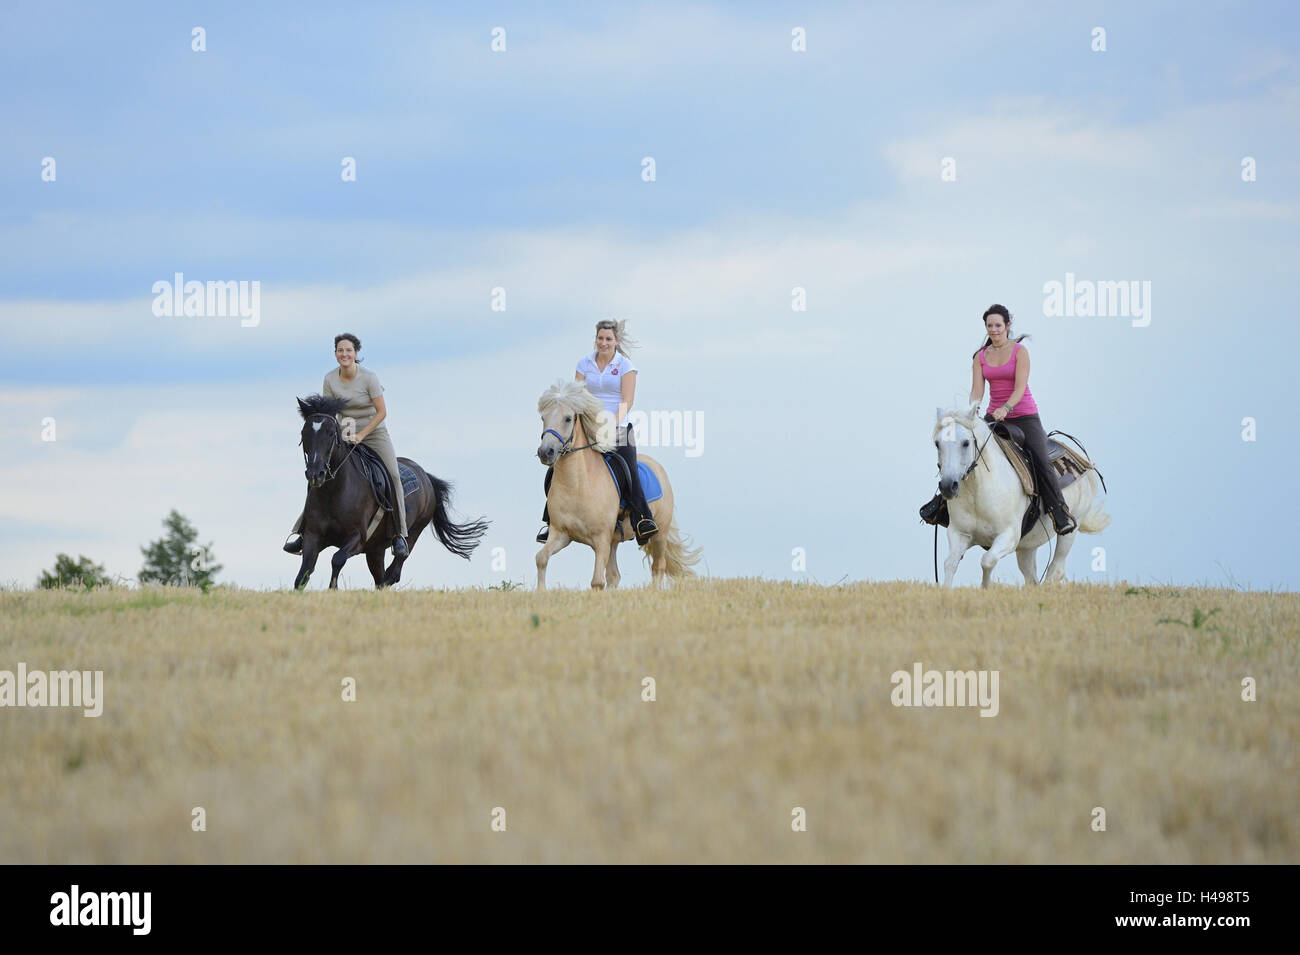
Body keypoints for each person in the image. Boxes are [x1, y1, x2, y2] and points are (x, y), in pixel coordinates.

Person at [921, 305, 1078, 535]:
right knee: (966, 451)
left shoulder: (1020, 352)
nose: (993, 330)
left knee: (1041, 459)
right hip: (994, 416)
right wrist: (971, 414)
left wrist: (1007, 407)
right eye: (989, 325)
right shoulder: (980, 357)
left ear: (1007, 326)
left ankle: (1059, 511)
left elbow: (1020, 386)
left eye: (998, 325)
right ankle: (945, 505)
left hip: (1024, 416)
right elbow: (977, 391)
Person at [284, 333, 410, 557]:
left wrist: (362, 434)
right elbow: (327, 414)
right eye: (340, 351)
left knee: (393, 475)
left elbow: (382, 412)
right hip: (342, 434)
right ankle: (303, 532)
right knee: (317, 472)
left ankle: (400, 535)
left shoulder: (369, 379)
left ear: (356, 354)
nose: (344, 354)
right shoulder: (329, 379)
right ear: (335, 354)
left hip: (373, 433)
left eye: (348, 350)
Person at [537, 319, 659, 545]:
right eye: (600, 338)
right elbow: (576, 397)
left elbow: (627, 400)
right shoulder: (584, 364)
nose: (604, 343)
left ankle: (642, 518)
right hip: (589, 428)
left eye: (608, 339)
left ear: (616, 341)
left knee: (628, 470)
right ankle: (550, 521)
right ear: (596, 339)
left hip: (619, 427)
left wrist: (613, 422)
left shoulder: (625, 366)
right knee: (556, 470)